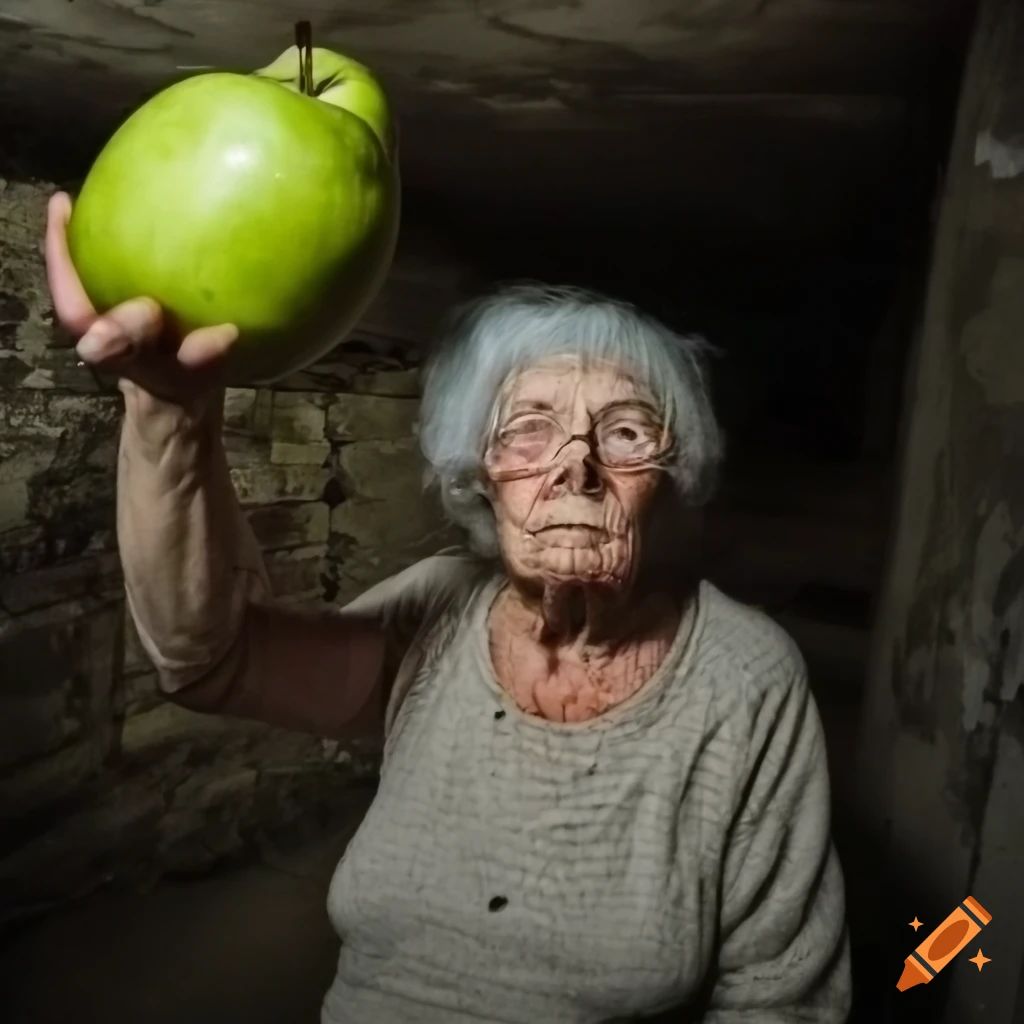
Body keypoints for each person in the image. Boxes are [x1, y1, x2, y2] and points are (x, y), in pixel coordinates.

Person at [45, 191, 852, 1023]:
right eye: (529, 428)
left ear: (672, 478)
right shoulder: (439, 607)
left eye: (624, 432)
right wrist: (169, 419)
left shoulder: (743, 673)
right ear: (479, 472)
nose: (575, 467)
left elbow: (781, 999)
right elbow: (212, 659)